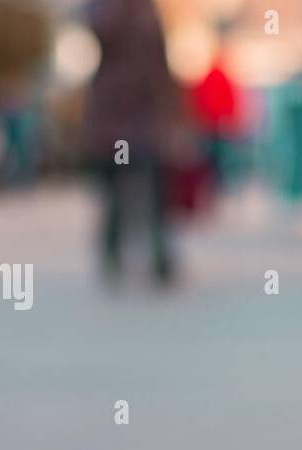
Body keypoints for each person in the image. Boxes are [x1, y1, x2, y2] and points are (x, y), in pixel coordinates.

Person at [81, 0, 178, 285]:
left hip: (142, 116)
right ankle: (114, 254)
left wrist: (170, 113)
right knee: (116, 190)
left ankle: (158, 255)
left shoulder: (147, 11)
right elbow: (99, 30)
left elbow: (161, 64)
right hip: (115, 117)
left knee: (152, 186)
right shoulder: (107, 11)